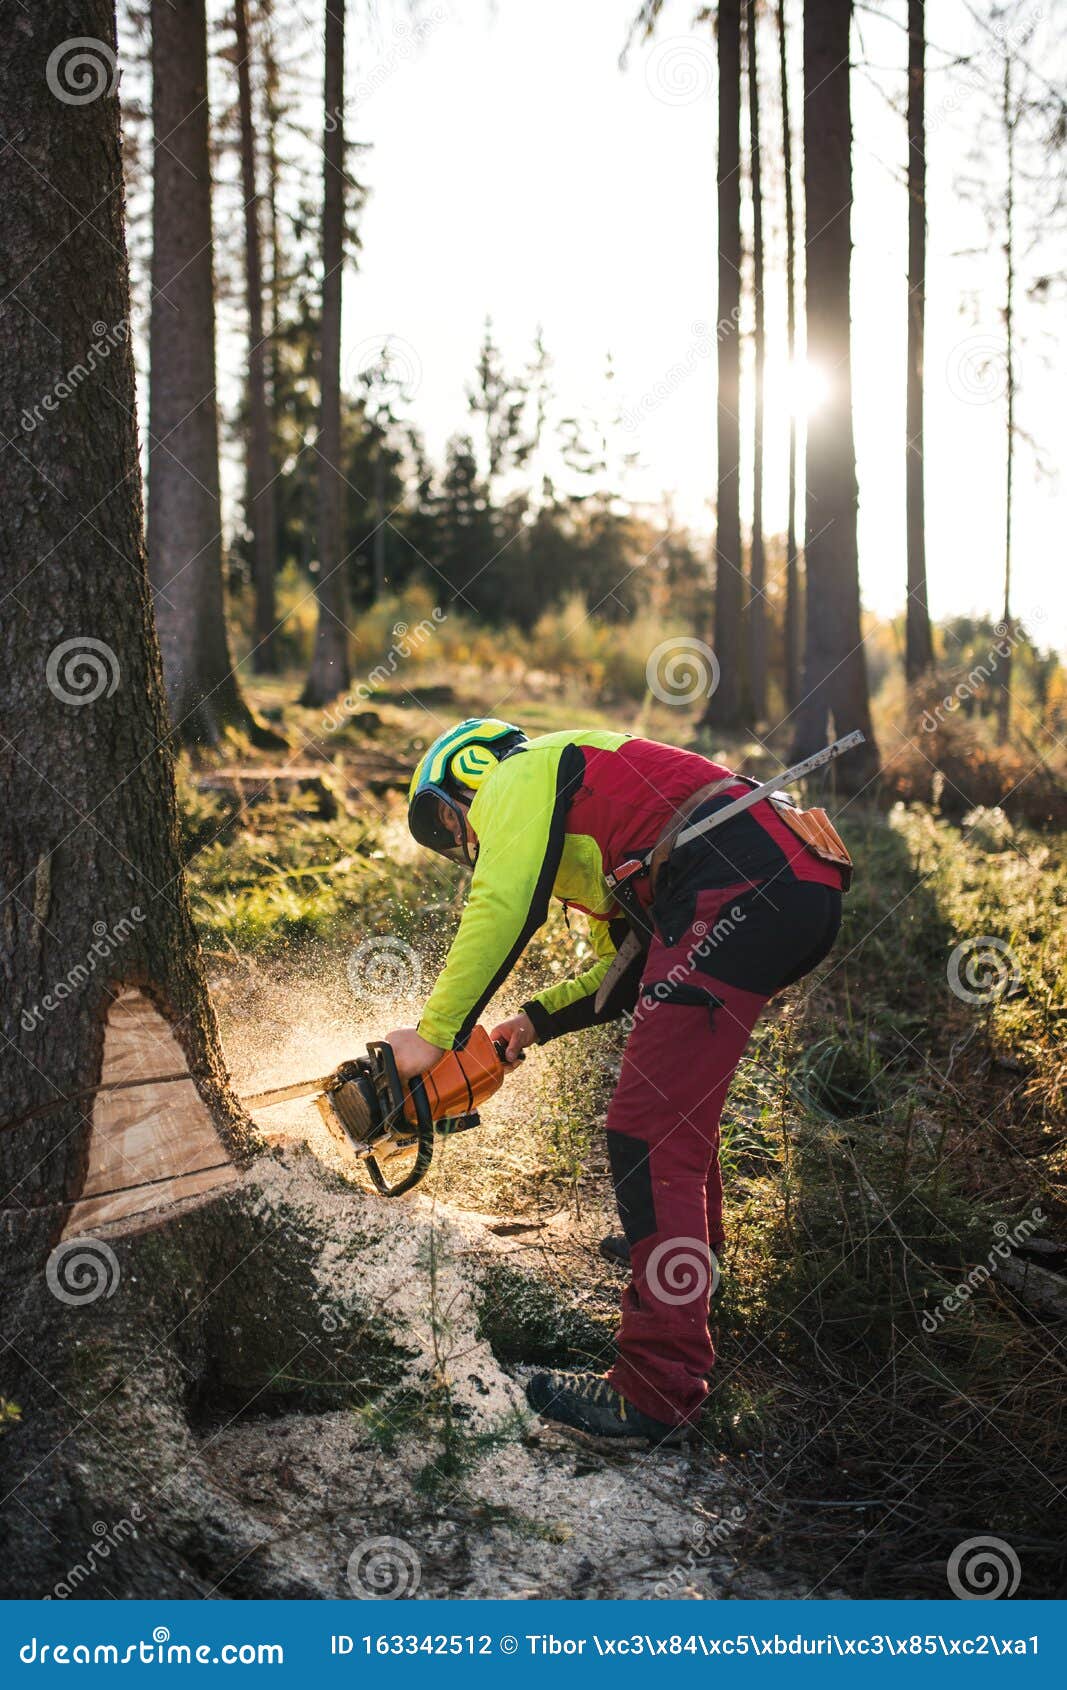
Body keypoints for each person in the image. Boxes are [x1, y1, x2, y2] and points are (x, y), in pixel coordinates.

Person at [386, 718, 850, 1448]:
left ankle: (656, 1392)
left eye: (450, 821)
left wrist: (432, 1034)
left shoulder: (520, 771)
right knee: (677, 1113)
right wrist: (528, 1023)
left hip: (740, 878)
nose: (461, 845)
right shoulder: (604, 829)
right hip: (787, 880)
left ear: (467, 769)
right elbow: (624, 969)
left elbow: (504, 906)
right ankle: (693, 1267)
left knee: (646, 1127)